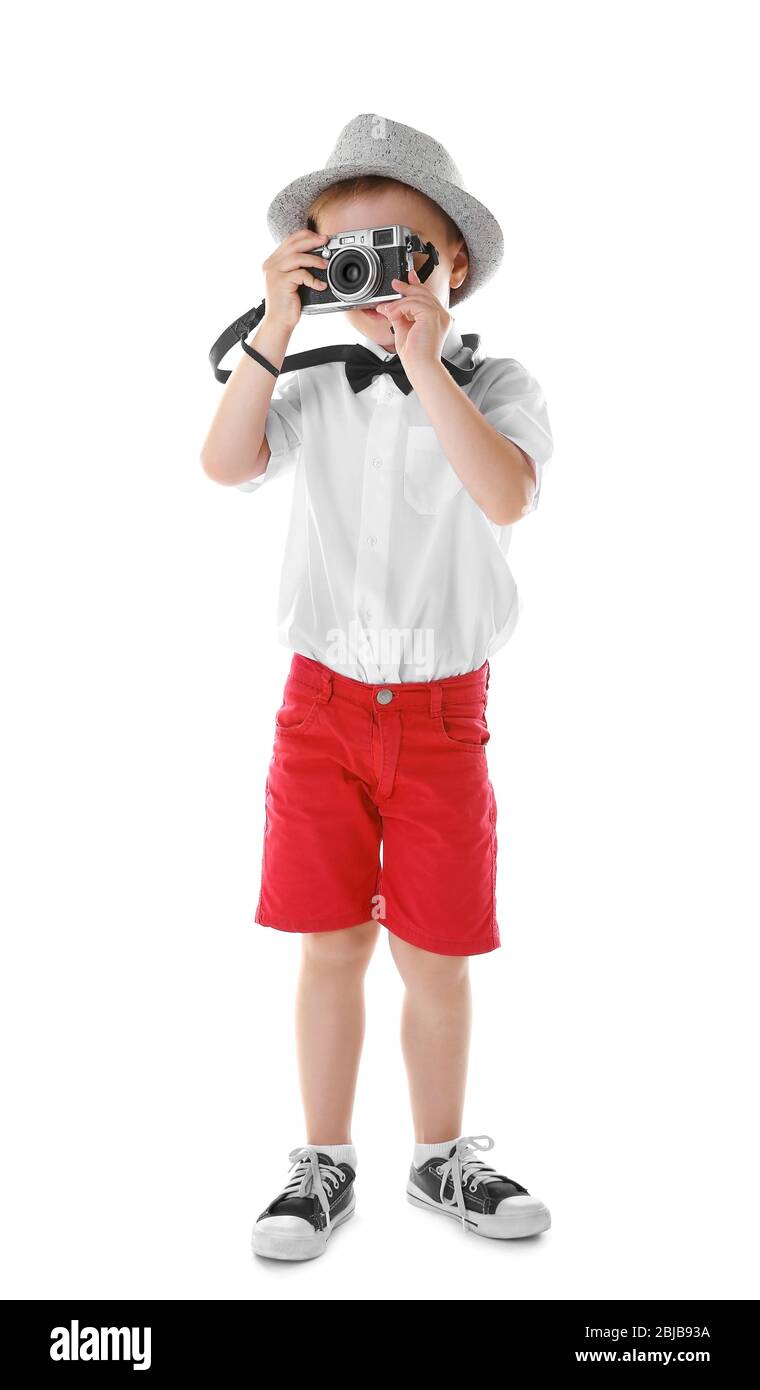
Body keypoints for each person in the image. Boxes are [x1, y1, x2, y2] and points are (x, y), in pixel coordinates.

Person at [201, 113, 554, 1261]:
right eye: (346, 256)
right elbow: (225, 463)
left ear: (451, 265)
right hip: (322, 705)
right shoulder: (304, 381)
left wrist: (418, 356)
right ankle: (323, 1161)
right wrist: (275, 323)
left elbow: (503, 495)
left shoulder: (495, 381)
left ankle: (442, 1155)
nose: (376, 277)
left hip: (447, 714)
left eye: (401, 250)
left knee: (437, 950)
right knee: (329, 941)